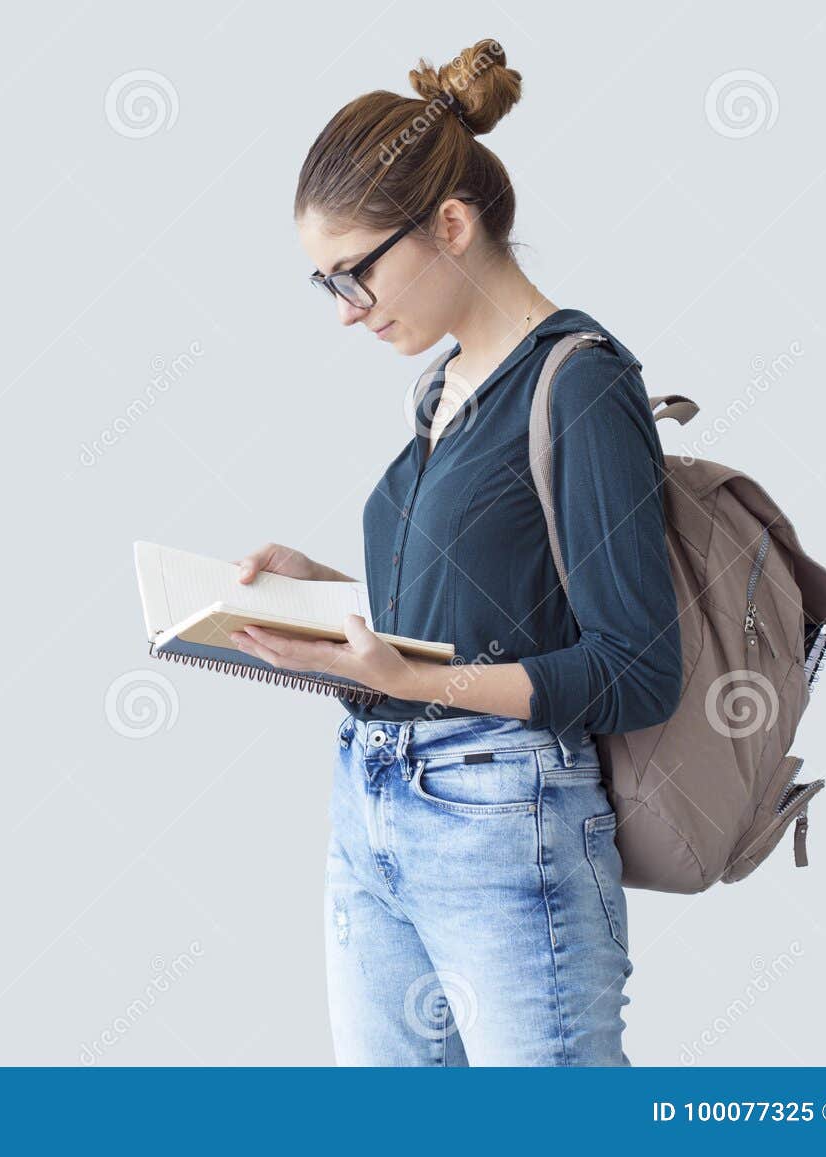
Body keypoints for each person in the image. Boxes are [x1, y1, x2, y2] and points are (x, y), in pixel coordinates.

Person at [230, 39, 682, 1065]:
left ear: (449, 224)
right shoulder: (438, 393)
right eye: (324, 281)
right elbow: (480, 614)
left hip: (500, 816)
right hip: (371, 800)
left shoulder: (577, 382)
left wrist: (407, 674)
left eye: (356, 272)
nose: (347, 309)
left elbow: (635, 668)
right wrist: (330, 595)